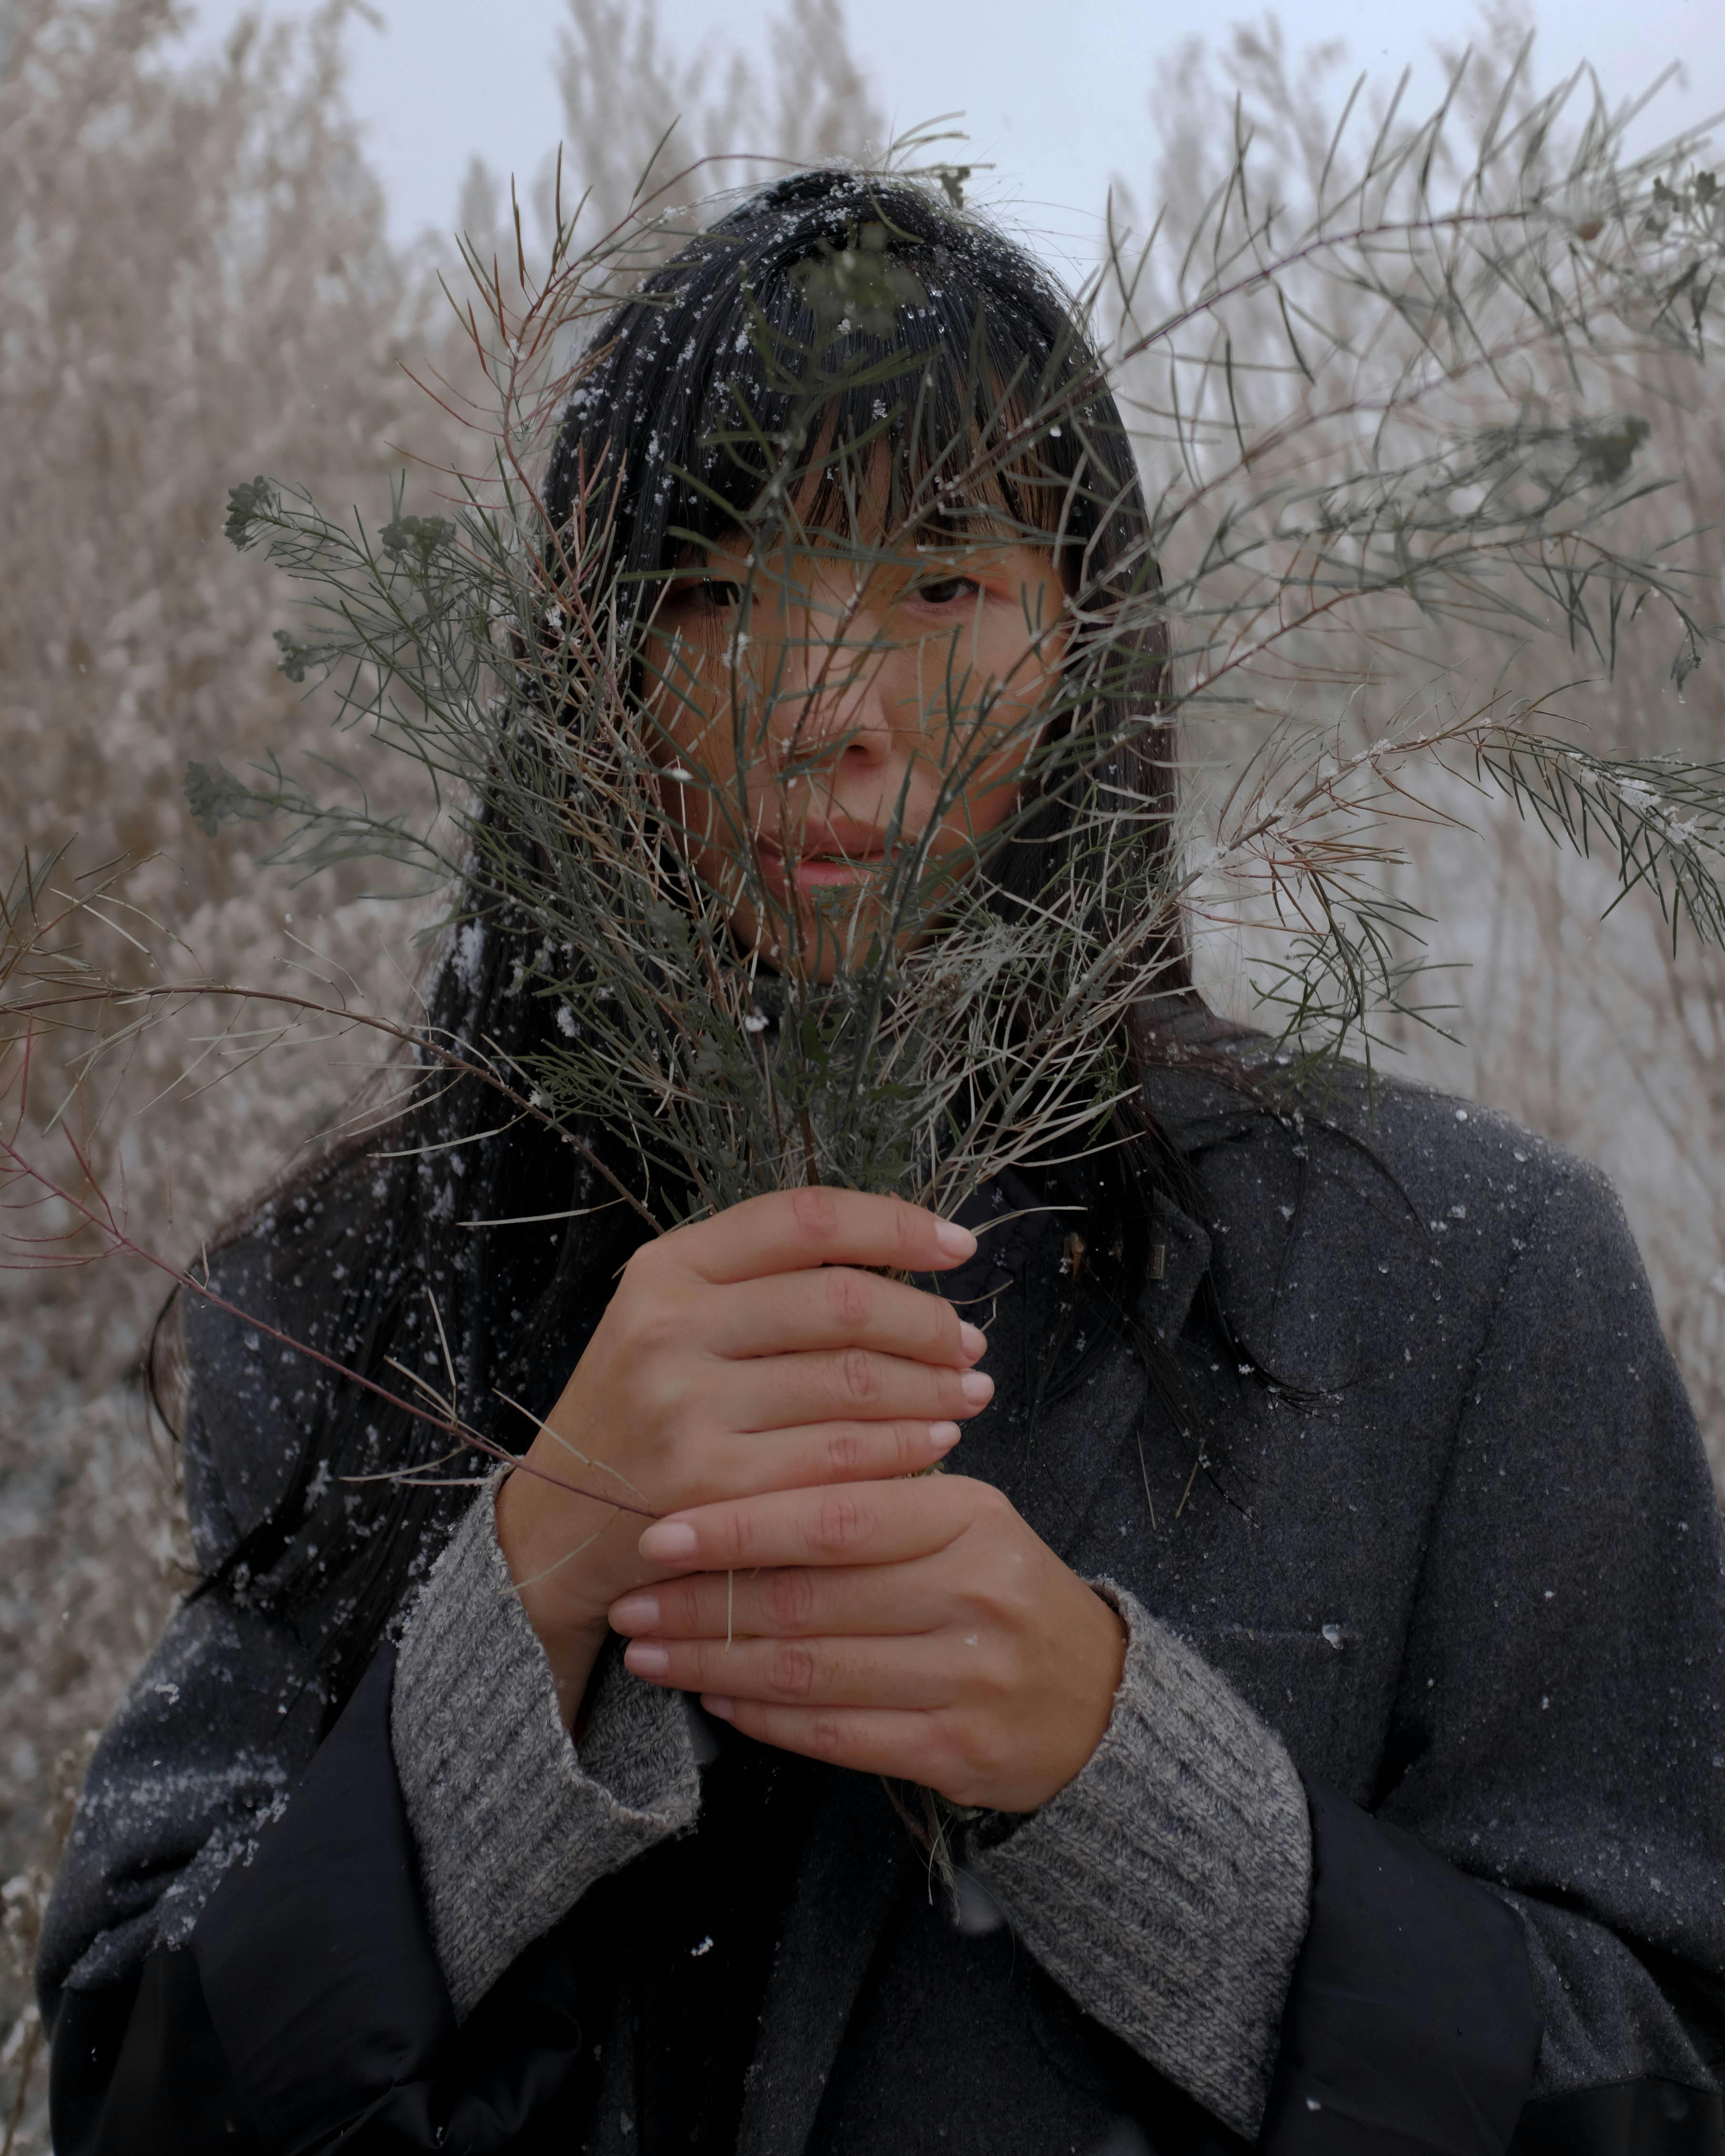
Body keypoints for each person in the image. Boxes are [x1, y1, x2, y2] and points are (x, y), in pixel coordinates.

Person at [36, 169, 1725, 2156]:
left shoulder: (1460, 1278)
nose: (822, 710)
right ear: (588, 673)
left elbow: (1653, 2086)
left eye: (936, 587)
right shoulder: (368, 1282)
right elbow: (147, 2093)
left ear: (1082, 638)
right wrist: (540, 1575)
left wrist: (1122, 1776)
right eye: (708, 591)